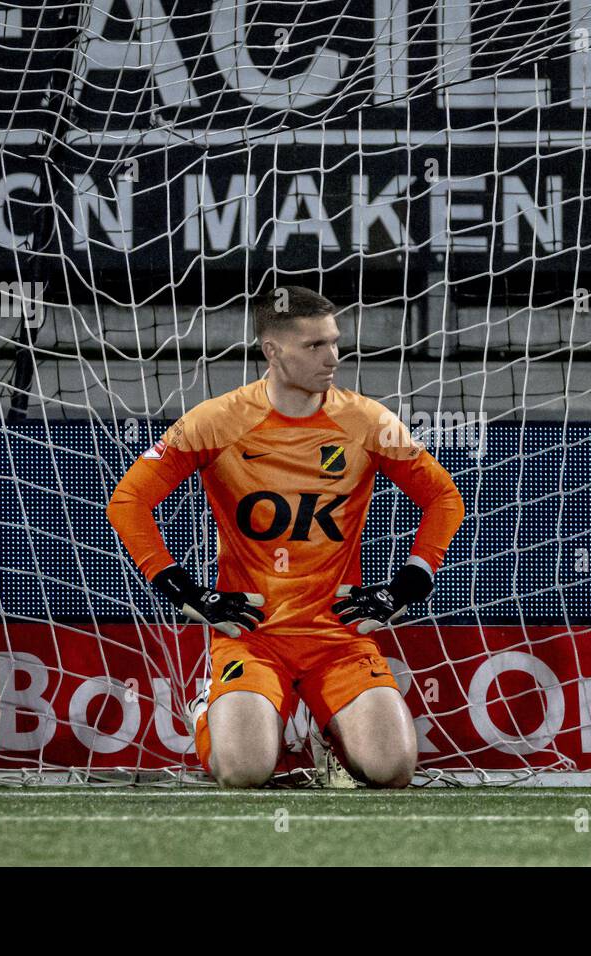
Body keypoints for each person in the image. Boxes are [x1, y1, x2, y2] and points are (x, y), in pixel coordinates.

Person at [106, 286, 465, 788]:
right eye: (315, 346)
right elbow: (128, 502)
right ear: (272, 351)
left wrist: (410, 582)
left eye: (335, 342)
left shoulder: (368, 421)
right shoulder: (217, 421)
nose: (333, 357)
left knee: (393, 770)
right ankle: (209, 708)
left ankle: (329, 739)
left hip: (338, 637)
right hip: (252, 636)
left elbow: (445, 498)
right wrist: (184, 591)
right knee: (243, 773)